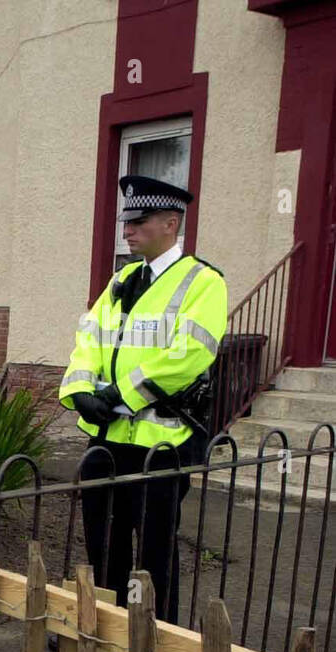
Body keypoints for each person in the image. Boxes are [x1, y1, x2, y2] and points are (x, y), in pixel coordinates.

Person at [59, 174, 227, 626]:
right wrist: (78, 391)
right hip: (107, 437)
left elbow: (189, 356)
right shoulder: (124, 278)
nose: (127, 230)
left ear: (171, 223)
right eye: (125, 222)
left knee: (155, 548)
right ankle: (108, 628)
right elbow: (89, 336)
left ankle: (157, 643)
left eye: (138, 221)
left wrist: (121, 393)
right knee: (103, 540)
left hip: (162, 439)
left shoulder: (203, 282)